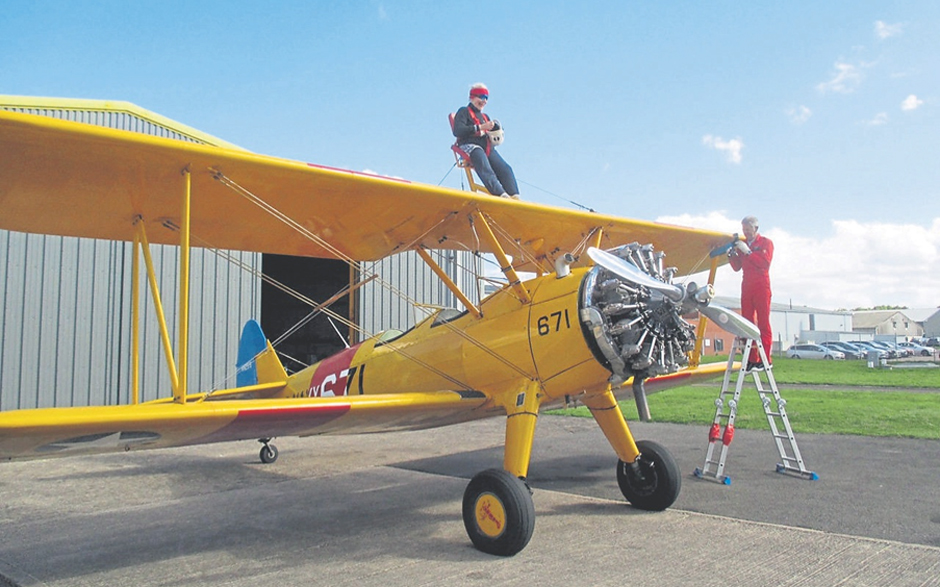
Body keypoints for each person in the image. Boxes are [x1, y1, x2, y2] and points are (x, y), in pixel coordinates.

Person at [452, 83, 520, 199]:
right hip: (470, 144)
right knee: (483, 164)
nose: (484, 101)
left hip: (486, 146)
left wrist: (495, 129)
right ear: (472, 97)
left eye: (486, 98)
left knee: (505, 169)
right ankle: (500, 194)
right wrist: (479, 127)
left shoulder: (485, 117)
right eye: (481, 97)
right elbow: (458, 131)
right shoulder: (463, 112)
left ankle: (514, 196)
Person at [729, 215, 774, 370]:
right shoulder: (743, 245)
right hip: (747, 285)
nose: (746, 232)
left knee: (763, 322)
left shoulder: (766, 243)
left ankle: (765, 359)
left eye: (748, 229)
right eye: (744, 230)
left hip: (761, 285)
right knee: (747, 322)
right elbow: (737, 267)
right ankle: (752, 359)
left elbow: (764, 263)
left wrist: (747, 252)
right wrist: (731, 255)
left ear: (756, 228)